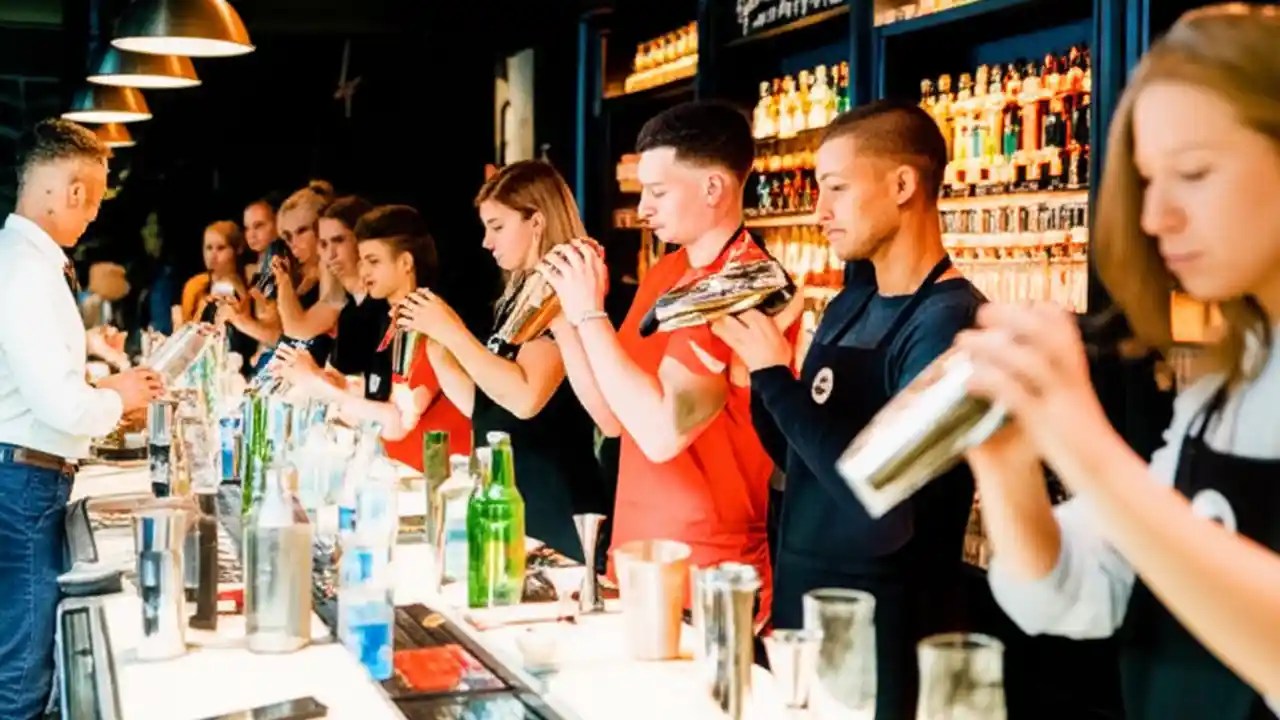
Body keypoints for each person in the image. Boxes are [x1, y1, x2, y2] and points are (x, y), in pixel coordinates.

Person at [960, 6, 1280, 718]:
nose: (1154, 217)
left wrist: (1082, 444)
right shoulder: (1230, 388)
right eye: (1146, 180)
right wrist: (1007, 465)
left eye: (1193, 172)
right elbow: (1086, 589)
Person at [712, 99, 984, 717]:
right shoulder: (847, 306)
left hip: (886, 626)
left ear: (902, 185)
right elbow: (797, 459)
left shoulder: (950, 321)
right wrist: (761, 377)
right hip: (803, 605)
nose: (819, 211)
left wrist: (774, 376)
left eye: (836, 188)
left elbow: (878, 488)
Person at [540, 101, 784, 613]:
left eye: (658, 191)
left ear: (713, 188)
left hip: (707, 570)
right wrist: (565, 322)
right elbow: (613, 417)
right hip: (635, 554)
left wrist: (590, 315)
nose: (644, 208)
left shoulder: (742, 283)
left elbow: (661, 433)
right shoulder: (666, 272)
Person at [0, 118, 163, 719]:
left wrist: (101, 384)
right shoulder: (26, 270)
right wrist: (120, 395)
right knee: (21, 672)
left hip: (23, 475)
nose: (93, 215)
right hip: (22, 483)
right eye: (93, 200)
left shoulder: (21, 259)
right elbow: (62, 406)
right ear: (73, 190)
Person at [396, 161, 603, 561]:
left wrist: (451, 330)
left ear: (536, 221)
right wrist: (435, 342)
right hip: (511, 496)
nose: (486, 242)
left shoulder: (561, 293)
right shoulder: (517, 296)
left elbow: (525, 399)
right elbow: (485, 408)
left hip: (554, 505)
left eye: (497, 226)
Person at [275, 205, 471, 466]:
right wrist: (331, 382)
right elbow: (382, 399)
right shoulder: (392, 321)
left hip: (434, 478)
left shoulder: (432, 321)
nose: (364, 271)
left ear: (405, 263)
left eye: (373, 261)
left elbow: (396, 423)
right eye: (362, 260)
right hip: (399, 470)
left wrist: (315, 384)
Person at [179, 220, 249, 323]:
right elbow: (186, 327)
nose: (212, 255)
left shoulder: (250, 280)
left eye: (221, 248)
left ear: (238, 249)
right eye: (209, 248)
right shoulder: (195, 286)